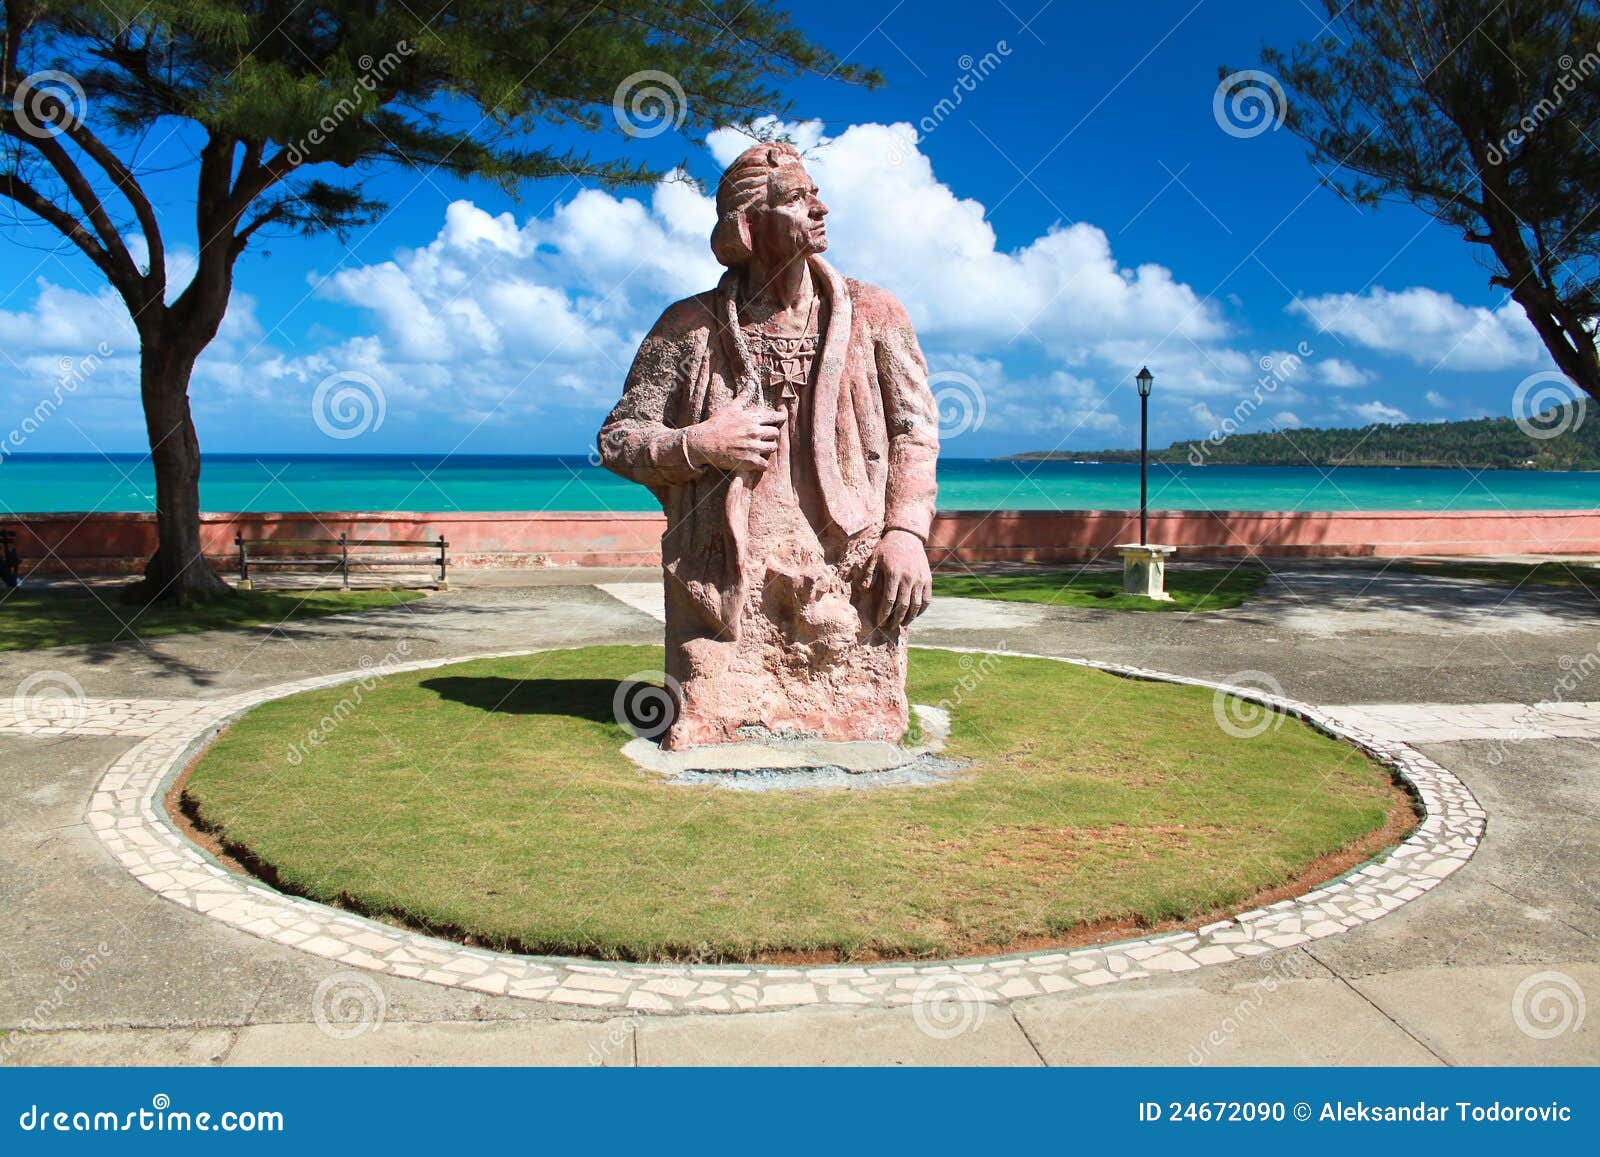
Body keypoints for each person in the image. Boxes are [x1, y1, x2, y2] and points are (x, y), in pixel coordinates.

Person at [598, 141, 938, 749]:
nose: (821, 207)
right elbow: (619, 439)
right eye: (798, 198)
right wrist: (698, 444)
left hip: (848, 562)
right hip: (727, 566)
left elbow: (915, 431)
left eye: (816, 193)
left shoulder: (874, 314)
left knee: (861, 709)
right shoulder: (688, 327)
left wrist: (908, 533)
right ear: (748, 225)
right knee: (712, 699)